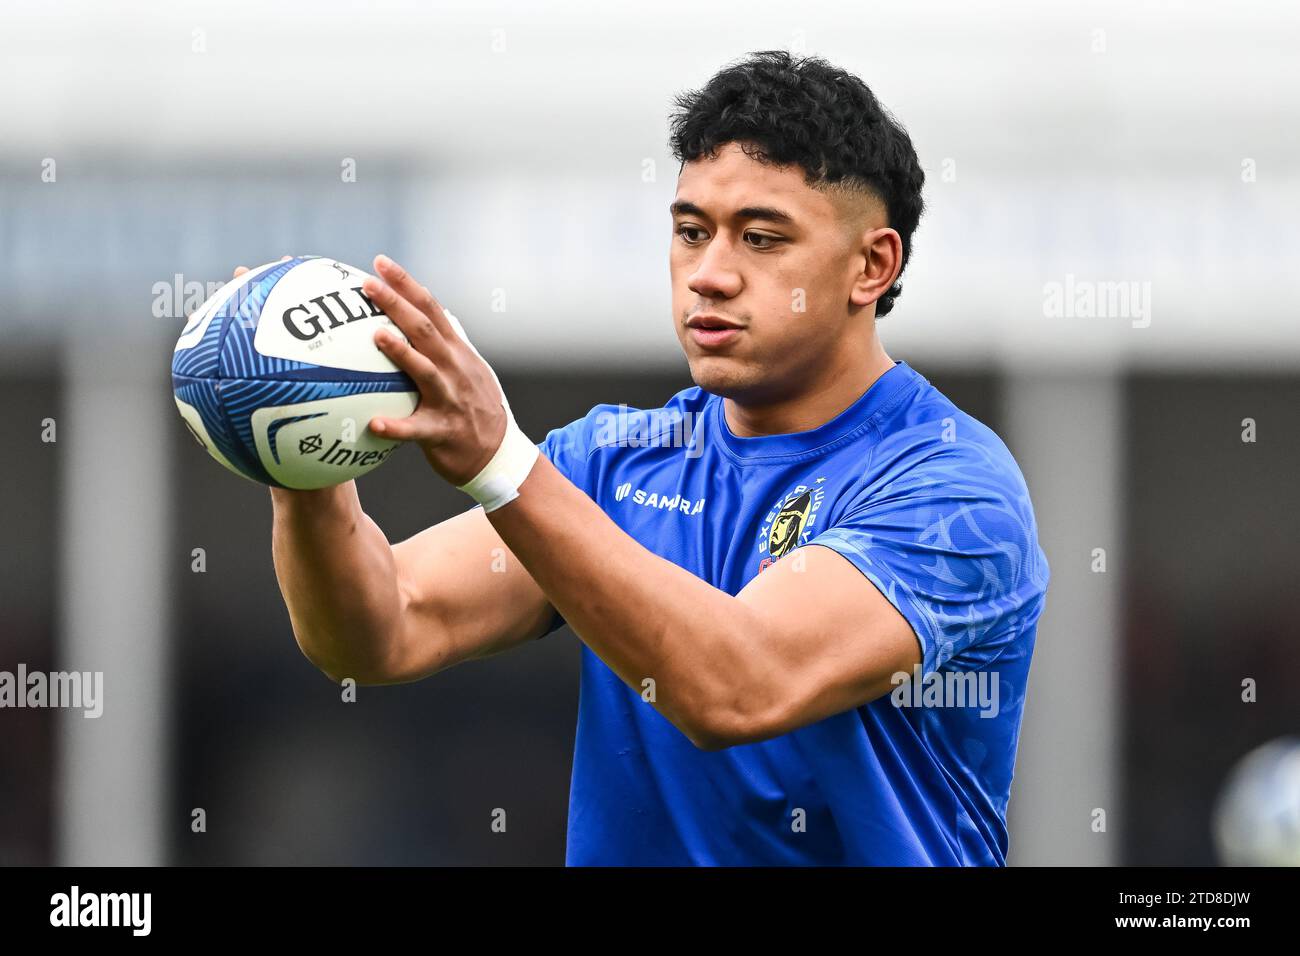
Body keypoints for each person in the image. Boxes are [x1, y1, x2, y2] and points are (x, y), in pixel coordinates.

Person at [252, 50, 1050, 865]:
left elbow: (741, 687)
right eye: (691, 232)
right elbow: (383, 627)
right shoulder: (615, 460)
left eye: (762, 239)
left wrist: (502, 464)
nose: (709, 275)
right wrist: (300, 452)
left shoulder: (951, 488)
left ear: (872, 266)